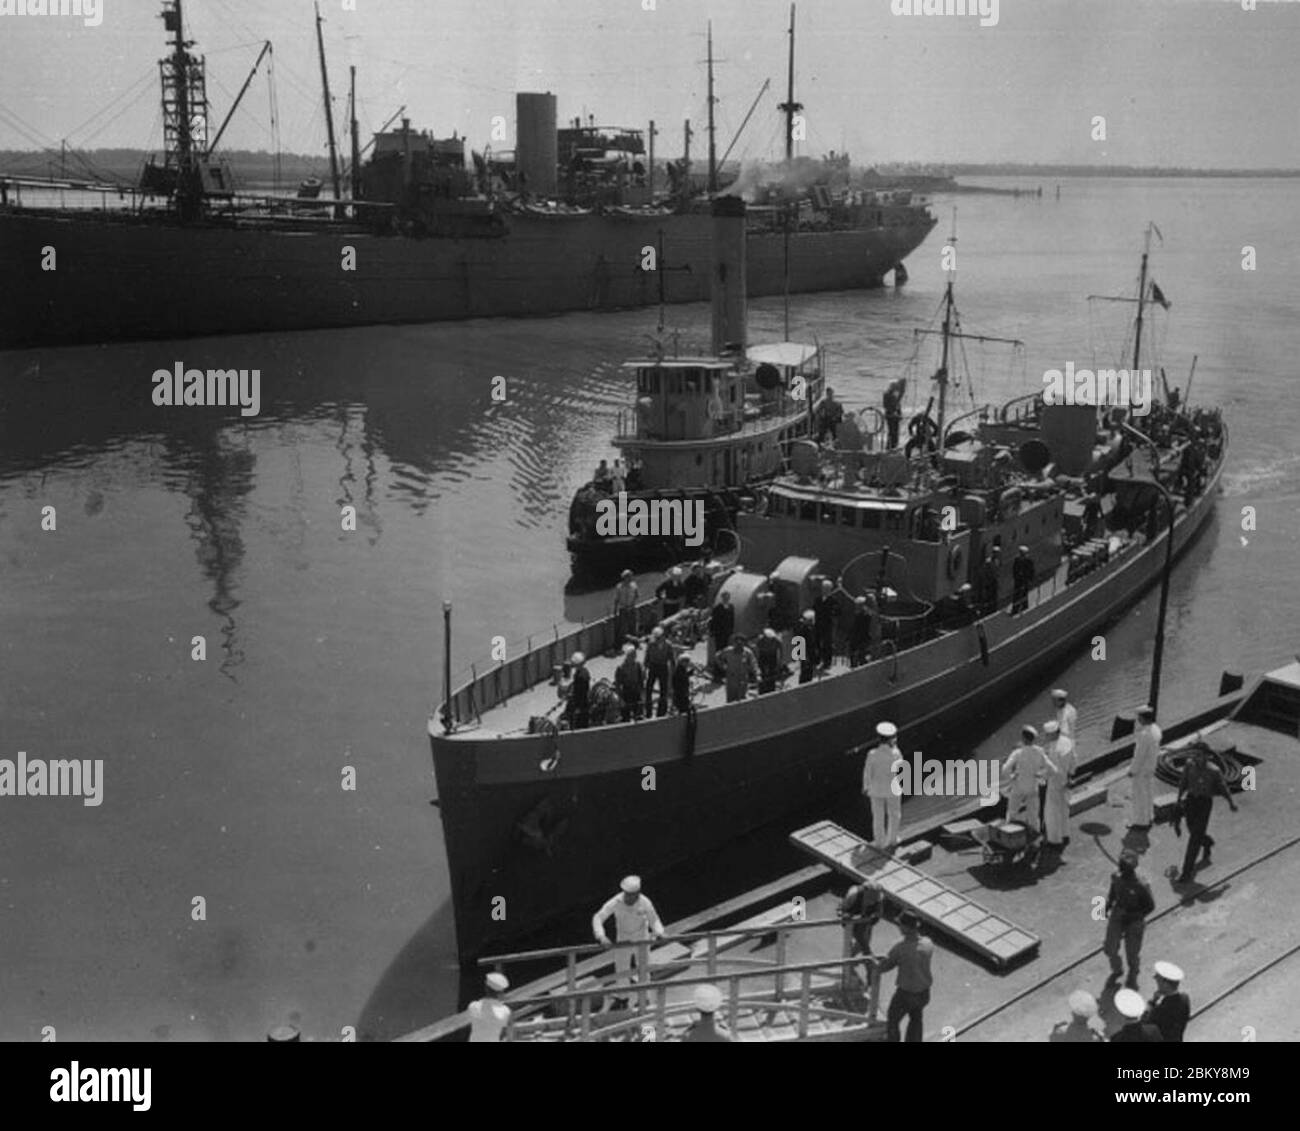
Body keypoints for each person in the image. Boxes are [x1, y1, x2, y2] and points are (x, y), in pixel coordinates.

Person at [592, 875, 666, 1007]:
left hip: (642, 939)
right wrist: (601, 936)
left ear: (638, 893)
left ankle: (644, 998)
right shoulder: (615, 902)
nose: (629, 898)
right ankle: (622, 998)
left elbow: (654, 919)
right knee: (621, 970)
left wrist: (659, 932)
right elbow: (598, 917)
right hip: (623, 940)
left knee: (644, 969)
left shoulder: (645, 902)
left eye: (633, 895)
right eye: (627, 894)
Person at [1176, 742, 1238, 884]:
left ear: (1206, 756)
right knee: (1192, 830)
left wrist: (1231, 803)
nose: (1196, 757)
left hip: (1204, 804)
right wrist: (1178, 799)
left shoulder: (1214, 771)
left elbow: (1223, 788)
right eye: (1195, 754)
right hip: (1191, 801)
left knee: (1194, 840)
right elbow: (1183, 782)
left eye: (1200, 755)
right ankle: (1207, 842)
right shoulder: (1189, 765)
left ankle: (1186, 872)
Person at [1104, 849, 1155, 989]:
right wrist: (1106, 906)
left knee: (1132, 952)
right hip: (1119, 913)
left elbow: (1150, 906)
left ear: (1132, 869)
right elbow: (1113, 892)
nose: (1121, 869)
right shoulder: (1116, 876)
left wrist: (1134, 917)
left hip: (1135, 918)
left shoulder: (1141, 885)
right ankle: (1117, 969)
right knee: (1109, 947)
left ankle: (1133, 975)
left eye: (1124, 867)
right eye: (1120, 865)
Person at [878, 913, 933, 1042]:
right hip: (924, 993)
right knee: (916, 1019)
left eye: (900, 925)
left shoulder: (900, 947)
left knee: (893, 1020)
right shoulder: (928, 943)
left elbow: (885, 966)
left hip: (906, 994)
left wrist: (874, 966)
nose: (899, 927)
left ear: (907, 927)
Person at [863, 721, 904, 850]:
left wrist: (866, 787)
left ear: (879, 738)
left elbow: (867, 772)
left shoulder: (872, 754)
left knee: (878, 816)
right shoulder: (896, 753)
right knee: (894, 814)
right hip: (893, 788)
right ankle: (893, 840)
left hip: (876, 789)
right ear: (892, 739)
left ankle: (879, 842)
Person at [1002, 725, 1048, 835]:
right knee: (1033, 815)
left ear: (1023, 738)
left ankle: (1011, 836)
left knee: (1012, 812)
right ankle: (1035, 841)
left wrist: (1011, 777)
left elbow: (1005, 769)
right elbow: (1050, 768)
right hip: (1032, 787)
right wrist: (1040, 775)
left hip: (1018, 787)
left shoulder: (1017, 753)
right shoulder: (1040, 751)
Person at [840, 880, 885, 981]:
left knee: (863, 945)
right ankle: (868, 969)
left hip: (866, 921)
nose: (873, 899)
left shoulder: (879, 899)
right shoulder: (853, 894)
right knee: (863, 944)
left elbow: (879, 914)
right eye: (871, 896)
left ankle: (849, 959)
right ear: (866, 891)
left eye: (875, 897)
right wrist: (846, 915)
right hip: (852, 920)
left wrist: (872, 919)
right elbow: (842, 909)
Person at [1041, 720, 1076, 848]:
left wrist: (1039, 776)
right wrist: (1071, 774)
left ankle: (1055, 840)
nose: (1045, 737)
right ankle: (1065, 835)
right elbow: (1073, 759)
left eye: (1047, 734)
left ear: (1052, 734)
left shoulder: (1054, 749)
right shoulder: (1067, 742)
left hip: (1055, 782)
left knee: (1051, 812)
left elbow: (1051, 770)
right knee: (1064, 810)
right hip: (1065, 780)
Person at [1129, 705, 1161, 829]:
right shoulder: (1156, 729)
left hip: (1141, 770)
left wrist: (1132, 770)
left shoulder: (1144, 735)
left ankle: (1140, 822)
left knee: (1139, 796)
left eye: (1139, 717)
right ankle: (1149, 817)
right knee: (1148, 793)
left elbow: (1139, 756)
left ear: (1142, 718)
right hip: (1151, 766)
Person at [1146, 961, 1191, 1043]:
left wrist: (1152, 1003)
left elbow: (1144, 1026)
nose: (1157, 983)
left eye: (1158, 980)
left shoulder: (1160, 1011)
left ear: (1165, 984)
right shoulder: (1185, 998)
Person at [466, 972, 512, 1042]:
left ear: (486, 988)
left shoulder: (472, 1006)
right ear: (501, 992)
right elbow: (507, 1035)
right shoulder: (505, 1011)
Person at [718, 634, 757, 703]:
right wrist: (722, 665)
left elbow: (754, 663)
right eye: (737, 643)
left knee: (742, 700)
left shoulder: (748, 653)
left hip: (743, 679)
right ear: (734, 643)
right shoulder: (728, 651)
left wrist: (757, 674)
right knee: (730, 700)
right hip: (731, 679)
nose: (739, 646)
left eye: (741, 644)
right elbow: (718, 656)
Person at [643, 627, 673, 718]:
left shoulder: (668, 645)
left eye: (659, 637)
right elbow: (647, 656)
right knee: (648, 689)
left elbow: (671, 658)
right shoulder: (651, 644)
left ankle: (661, 712)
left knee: (664, 690)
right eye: (656, 638)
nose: (657, 640)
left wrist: (673, 670)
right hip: (653, 667)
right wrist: (645, 669)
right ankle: (648, 712)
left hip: (663, 667)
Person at [613, 643, 645, 722]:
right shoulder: (621, 668)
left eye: (634, 655)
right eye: (632, 655)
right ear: (627, 656)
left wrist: (642, 694)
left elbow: (641, 680)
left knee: (639, 716)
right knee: (625, 717)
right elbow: (617, 684)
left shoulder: (638, 665)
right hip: (626, 693)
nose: (634, 657)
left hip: (636, 692)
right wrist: (620, 699)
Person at [707, 590, 735, 675]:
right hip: (719, 633)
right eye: (725, 597)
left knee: (725, 651)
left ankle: (723, 669)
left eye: (727, 597)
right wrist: (712, 631)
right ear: (722, 598)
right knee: (719, 651)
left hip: (727, 633)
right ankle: (717, 670)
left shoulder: (731, 607)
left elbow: (732, 620)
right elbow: (714, 621)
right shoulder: (718, 608)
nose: (726, 598)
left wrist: (731, 631)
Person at [813, 579, 837, 669]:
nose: (825, 590)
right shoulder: (818, 599)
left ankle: (827, 662)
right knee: (817, 642)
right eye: (823, 588)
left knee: (827, 644)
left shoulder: (833, 601)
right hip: (818, 624)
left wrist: (832, 613)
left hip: (827, 625)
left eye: (827, 588)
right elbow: (814, 609)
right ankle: (818, 660)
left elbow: (837, 612)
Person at [754, 627, 784, 695]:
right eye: (767, 639)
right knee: (762, 672)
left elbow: (781, 650)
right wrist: (757, 664)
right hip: (763, 656)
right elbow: (757, 652)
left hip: (772, 656)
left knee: (772, 671)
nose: (768, 641)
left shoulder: (777, 640)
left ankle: (771, 687)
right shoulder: (760, 640)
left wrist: (780, 662)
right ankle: (762, 689)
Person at [613, 569, 639, 643]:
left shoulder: (634, 585)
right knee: (622, 628)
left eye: (631, 576)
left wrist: (632, 604)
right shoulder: (619, 587)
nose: (631, 578)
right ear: (624, 577)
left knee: (633, 626)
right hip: (623, 609)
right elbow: (616, 599)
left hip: (632, 608)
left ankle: (634, 642)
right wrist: (615, 611)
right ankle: (620, 644)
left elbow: (636, 596)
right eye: (629, 576)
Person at [792, 609, 818, 684]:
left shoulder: (811, 628)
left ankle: (808, 682)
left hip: (810, 652)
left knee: (809, 670)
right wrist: (805, 656)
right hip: (805, 653)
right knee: (805, 670)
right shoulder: (803, 630)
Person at [566, 652, 591, 730]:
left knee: (580, 723)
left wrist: (578, 708)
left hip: (581, 704)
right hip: (582, 702)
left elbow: (581, 694)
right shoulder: (583, 671)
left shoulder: (581, 676)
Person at [848, 595, 874, 667]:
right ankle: (853, 665)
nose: (856, 606)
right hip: (855, 637)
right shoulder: (857, 613)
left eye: (858, 605)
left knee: (862, 654)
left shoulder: (866, 614)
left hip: (863, 637)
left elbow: (863, 627)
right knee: (853, 653)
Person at [1011, 544, 1035, 615]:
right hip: (1018, 580)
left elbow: (1031, 571)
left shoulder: (1029, 561)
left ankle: (1024, 607)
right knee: (1016, 595)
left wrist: (1030, 580)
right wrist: (1015, 577)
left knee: (1024, 594)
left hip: (1025, 580)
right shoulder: (1017, 560)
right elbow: (1014, 569)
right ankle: (1015, 609)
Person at [883, 379, 906, 450]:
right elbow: (886, 405)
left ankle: (894, 446)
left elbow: (900, 396)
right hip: (891, 416)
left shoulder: (893, 395)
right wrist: (893, 413)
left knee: (895, 432)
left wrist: (903, 386)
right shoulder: (887, 394)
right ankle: (890, 447)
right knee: (892, 432)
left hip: (895, 416)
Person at [978, 546, 1001, 616]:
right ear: (993, 553)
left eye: (998, 553)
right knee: (987, 597)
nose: (997, 554)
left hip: (994, 581)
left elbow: (997, 570)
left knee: (994, 596)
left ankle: (993, 610)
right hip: (988, 582)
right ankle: (985, 612)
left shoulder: (997, 561)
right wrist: (985, 580)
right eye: (995, 553)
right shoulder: (988, 561)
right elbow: (982, 571)